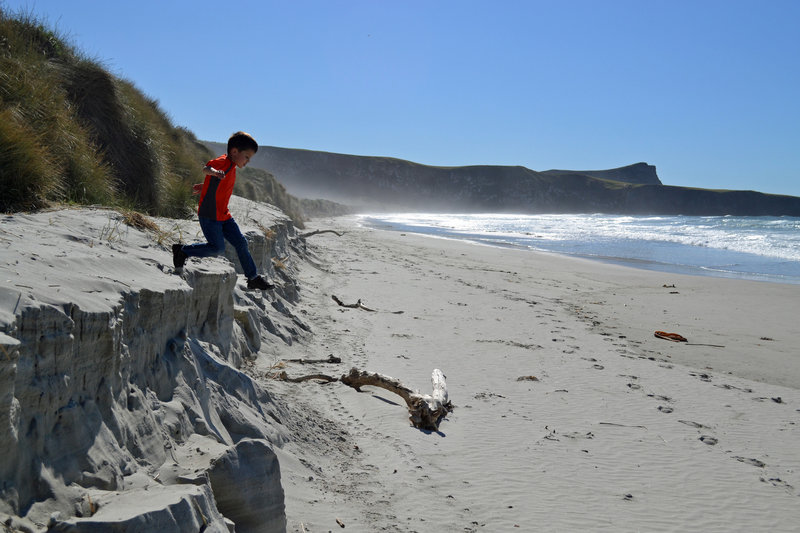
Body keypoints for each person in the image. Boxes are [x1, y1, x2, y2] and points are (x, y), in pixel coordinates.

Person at [172, 131, 274, 291]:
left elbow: (217, 183)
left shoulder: (232, 166)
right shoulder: (222, 162)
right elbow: (207, 168)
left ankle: (253, 278)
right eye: (247, 157)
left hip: (224, 215)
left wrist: (203, 185)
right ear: (234, 152)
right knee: (217, 248)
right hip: (210, 214)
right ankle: (182, 251)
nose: (248, 161)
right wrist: (212, 172)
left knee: (241, 242)